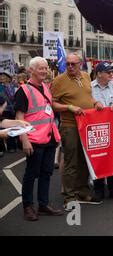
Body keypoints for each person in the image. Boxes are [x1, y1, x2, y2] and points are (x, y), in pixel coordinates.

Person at [51, 53, 104, 210]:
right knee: (71, 162)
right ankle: (69, 197)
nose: (70, 66)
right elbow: (53, 104)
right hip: (70, 126)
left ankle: (82, 192)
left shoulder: (86, 76)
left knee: (84, 161)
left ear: (80, 64)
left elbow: (88, 97)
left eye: (73, 64)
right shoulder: (59, 80)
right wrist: (69, 107)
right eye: (67, 64)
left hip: (86, 125)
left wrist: (96, 103)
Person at [14, 57, 64, 221]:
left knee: (46, 173)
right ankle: (28, 206)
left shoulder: (45, 87)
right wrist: (24, 139)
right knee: (31, 174)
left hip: (49, 138)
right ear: (31, 70)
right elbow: (19, 117)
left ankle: (43, 205)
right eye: (40, 68)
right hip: (34, 139)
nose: (44, 71)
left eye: (45, 68)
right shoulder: (23, 90)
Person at [91, 62, 113, 202]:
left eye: (111, 71)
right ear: (98, 73)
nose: (111, 74)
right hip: (96, 129)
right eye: (108, 72)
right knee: (98, 159)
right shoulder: (89, 88)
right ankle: (98, 190)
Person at [0, 72, 19, 153]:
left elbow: (15, 97)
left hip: (13, 109)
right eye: (1, 77)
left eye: (3, 76)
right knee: (5, 129)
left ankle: (14, 145)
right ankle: (8, 147)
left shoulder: (13, 86)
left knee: (13, 127)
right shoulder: (0, 87)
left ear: (8, 78)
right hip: (4, 110)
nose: (1, 78)